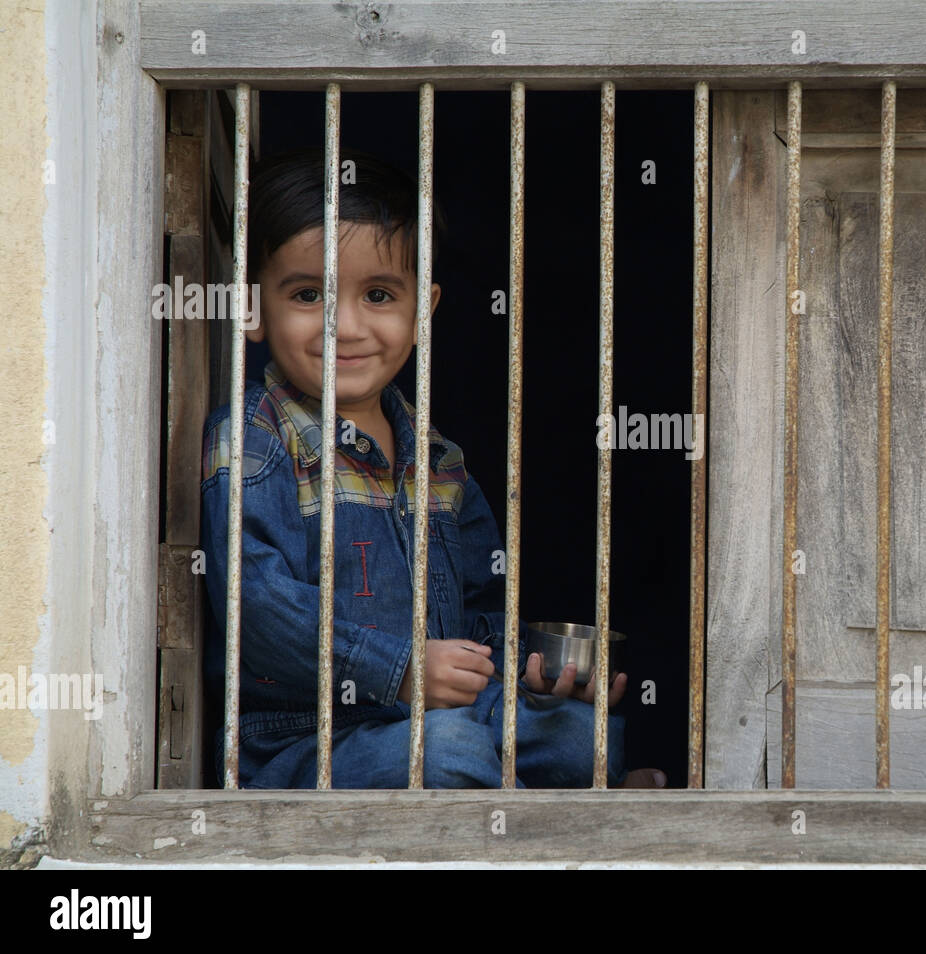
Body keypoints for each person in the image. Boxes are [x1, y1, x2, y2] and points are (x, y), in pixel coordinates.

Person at [199, 149, 665, 789]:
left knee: (584, 738)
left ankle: (552, 803)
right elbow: (255, 608)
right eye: (308, 294)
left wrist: (528, 665)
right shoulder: (257, 437)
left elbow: (477, 611)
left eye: (380, 295)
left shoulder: (438, 457)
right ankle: (558, 828)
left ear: (423, 311)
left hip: (448, 713)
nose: (346, 325)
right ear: (251, 309)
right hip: (305, 739)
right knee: (446, 753)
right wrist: (402, 670)